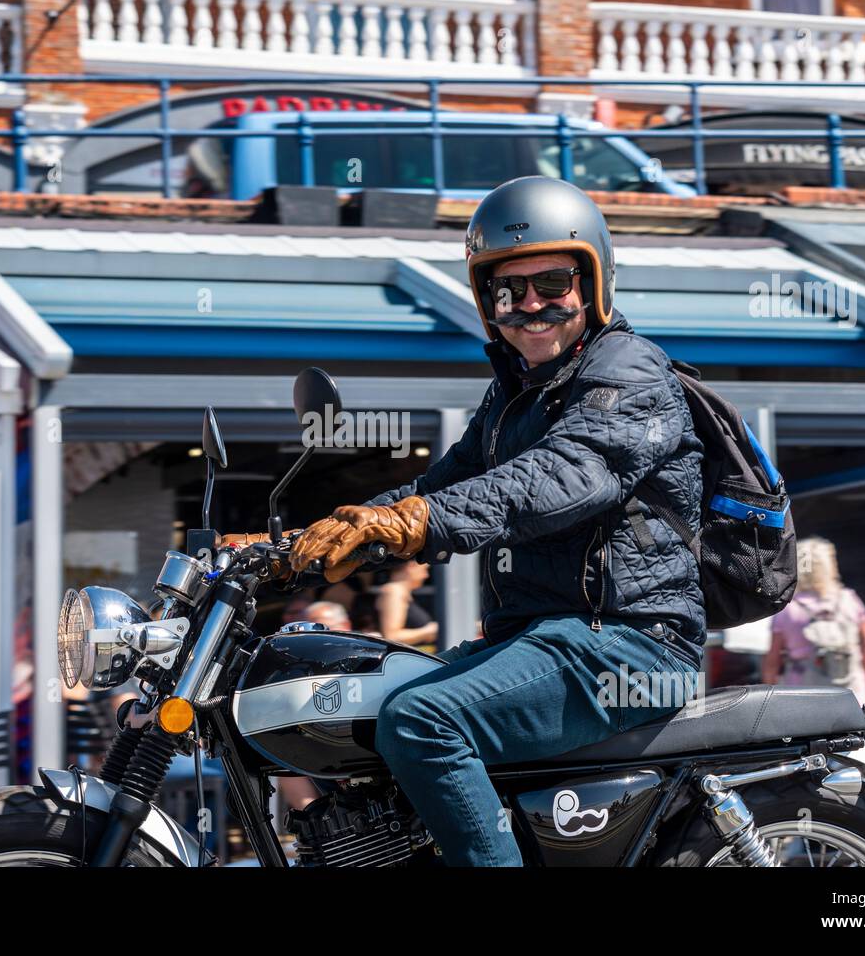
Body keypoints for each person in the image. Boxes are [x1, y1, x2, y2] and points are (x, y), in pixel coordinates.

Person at [281, 176, 706, 866]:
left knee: (422, 719)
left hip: (631, 644)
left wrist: (408, 522)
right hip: (544, 636)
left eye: (552, 281)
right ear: (487, 301)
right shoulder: (514, 392)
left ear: (592, 280)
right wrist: (328, 532)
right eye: (509, 290)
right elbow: (444, 484)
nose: (531, 304)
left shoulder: (629, 374)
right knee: (364, 701)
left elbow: (550, 483)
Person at [762, 537, 865, 705]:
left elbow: (772, 663)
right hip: (853, 694)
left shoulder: (787, 609)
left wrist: (770, 702)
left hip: (803, 701)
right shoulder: (849, 600)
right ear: (829, 566)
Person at [374, 561, 438, 647]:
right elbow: (392, 636)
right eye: (424, 570)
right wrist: (427, 631)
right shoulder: (394, 591)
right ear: (411, 567)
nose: (426, 575)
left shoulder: (401, 592)